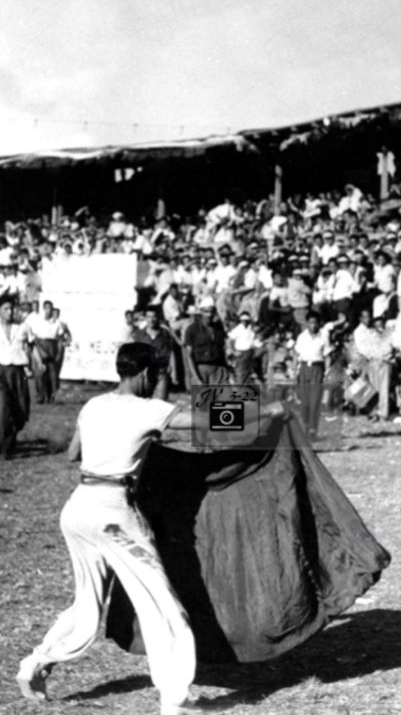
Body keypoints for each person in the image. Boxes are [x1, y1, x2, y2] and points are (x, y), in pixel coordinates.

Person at [16, 343, 284, 714]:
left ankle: (35, 663)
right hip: (114, 515)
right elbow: (204, 420)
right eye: (155, 375)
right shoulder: (148, 410)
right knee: (162, 606)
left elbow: (72, 454)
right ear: (144, 374)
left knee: (86, 604)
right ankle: (174, 702)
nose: (157, 381)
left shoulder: (93, 405)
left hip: (78, 508)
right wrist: (265, 411)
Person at [0, 294, 32, 456]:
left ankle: (11, 439)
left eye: (11, 308)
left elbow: (31, 346)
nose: (10, 312)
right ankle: (5, 447)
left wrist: (34, 364)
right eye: (6, 309)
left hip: (18, 372)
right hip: (1, 372)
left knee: (21, 410)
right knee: (4, 409)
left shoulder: (22, 327)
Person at [294, 312, 331, 438]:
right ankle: (304, 427)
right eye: (310, 322)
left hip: (317, 368)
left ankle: (313, 429)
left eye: (315, 322)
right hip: (304, 368)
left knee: (315, 401)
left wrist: (326, 372)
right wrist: (294, 371)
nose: (313, 325)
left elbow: (327, 355)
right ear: (307, 324)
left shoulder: (323, 336)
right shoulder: (302, 337)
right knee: (304, 402)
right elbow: (296, 354)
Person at [132, 307, 177, 400]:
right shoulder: (138, 334)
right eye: (149, 317)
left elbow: (171, 352)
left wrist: (174, 372)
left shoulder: (165, 333)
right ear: (145, 318)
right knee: (142, 402)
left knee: (160, 404)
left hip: (161, 372)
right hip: (144, 374)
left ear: (158, 318)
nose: (151, 320)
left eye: (154, 317)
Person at [182, 297, 228, 386]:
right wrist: (196, 378)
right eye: (206, 311)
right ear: (201, 312)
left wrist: (225, 370)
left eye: (211, 311)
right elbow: (189, 355)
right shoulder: (192, 329)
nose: (209, 314)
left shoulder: (218, 327)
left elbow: (223, 348)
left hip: (218, 368)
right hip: (201, 369)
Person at [28, 300, 65, 404]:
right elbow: (33, 337)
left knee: (52, 373)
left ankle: (51, 396)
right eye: (47, 308)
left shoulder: (57, 323)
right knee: (40, 373)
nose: (48, 311)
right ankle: (40, 396)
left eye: (50, 309)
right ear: (43, 309)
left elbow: (60, 338)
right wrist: (38, 350)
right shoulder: (38, 321)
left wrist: (59, 352)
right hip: (40, 345)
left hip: (52, 346)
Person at [227, 310, 263, 385]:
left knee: (247, 374)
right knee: (241, 374)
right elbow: (229, 340)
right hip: (241, 353)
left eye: (246, 320)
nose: (245, 322)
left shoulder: (251, 329)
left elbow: (253, 340)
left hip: (250, 353)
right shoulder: (238, 329)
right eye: (243, 320)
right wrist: (233, 351)